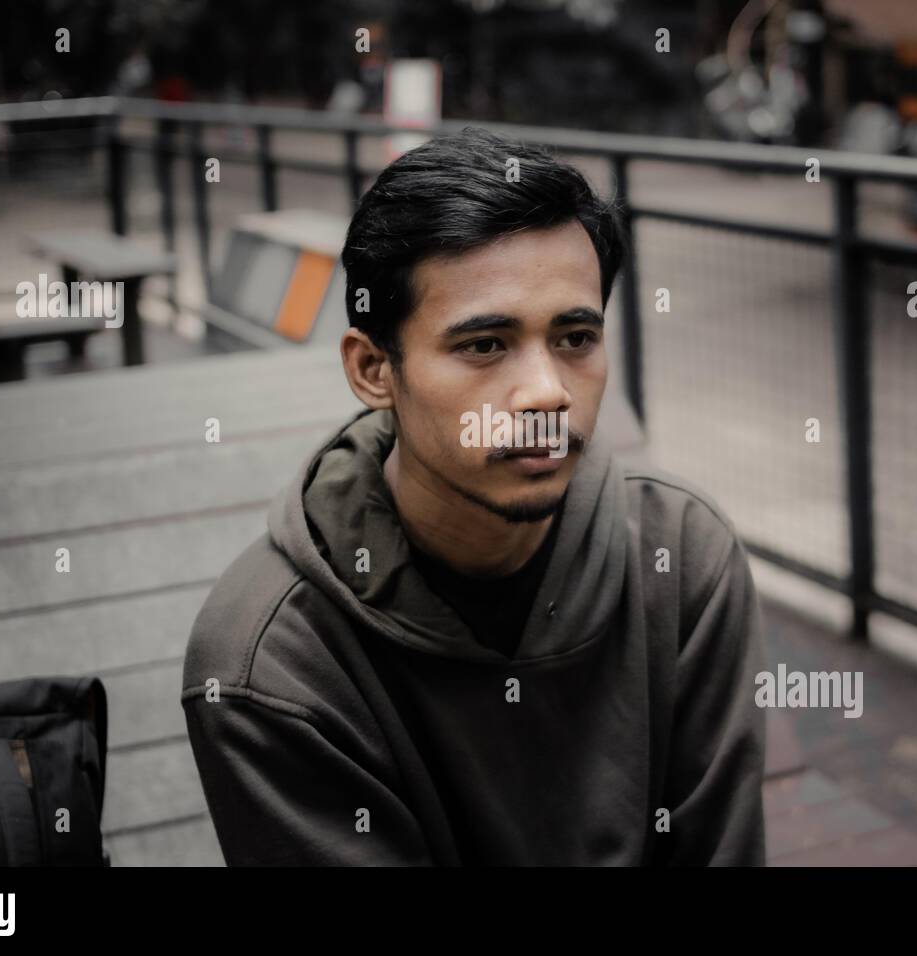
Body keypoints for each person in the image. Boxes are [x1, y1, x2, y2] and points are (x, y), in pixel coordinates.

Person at [181, 126, 767, 865]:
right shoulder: (270, 660)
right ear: (373, 370)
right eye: (484, 345)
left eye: (575, 338)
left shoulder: (681, 557)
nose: (548, 393)